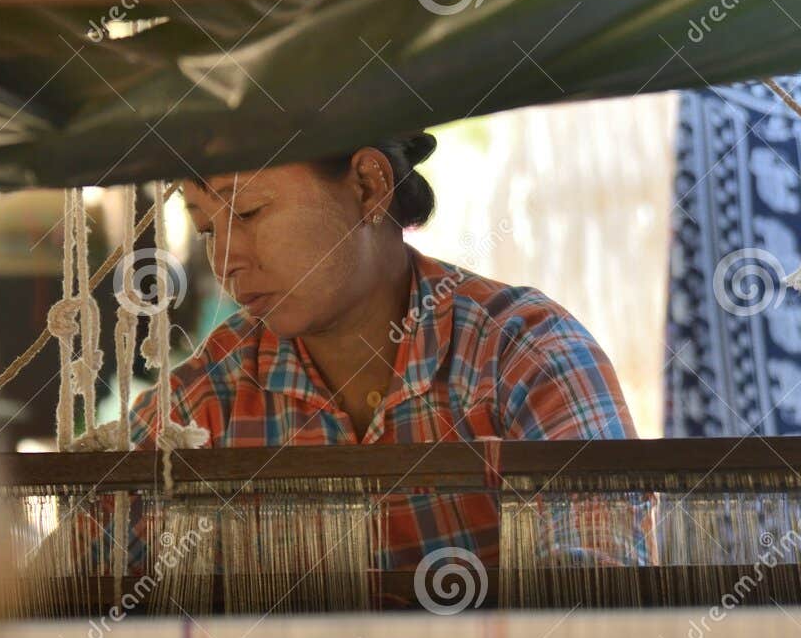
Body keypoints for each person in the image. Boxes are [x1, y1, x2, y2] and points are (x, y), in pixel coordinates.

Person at [127, 133, 638, 568]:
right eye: (207, 229)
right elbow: (80, 577)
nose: (225, 260)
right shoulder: (202, 404)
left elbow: (596, 591)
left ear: (369, 186)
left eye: (250, 211)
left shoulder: (522, 356)